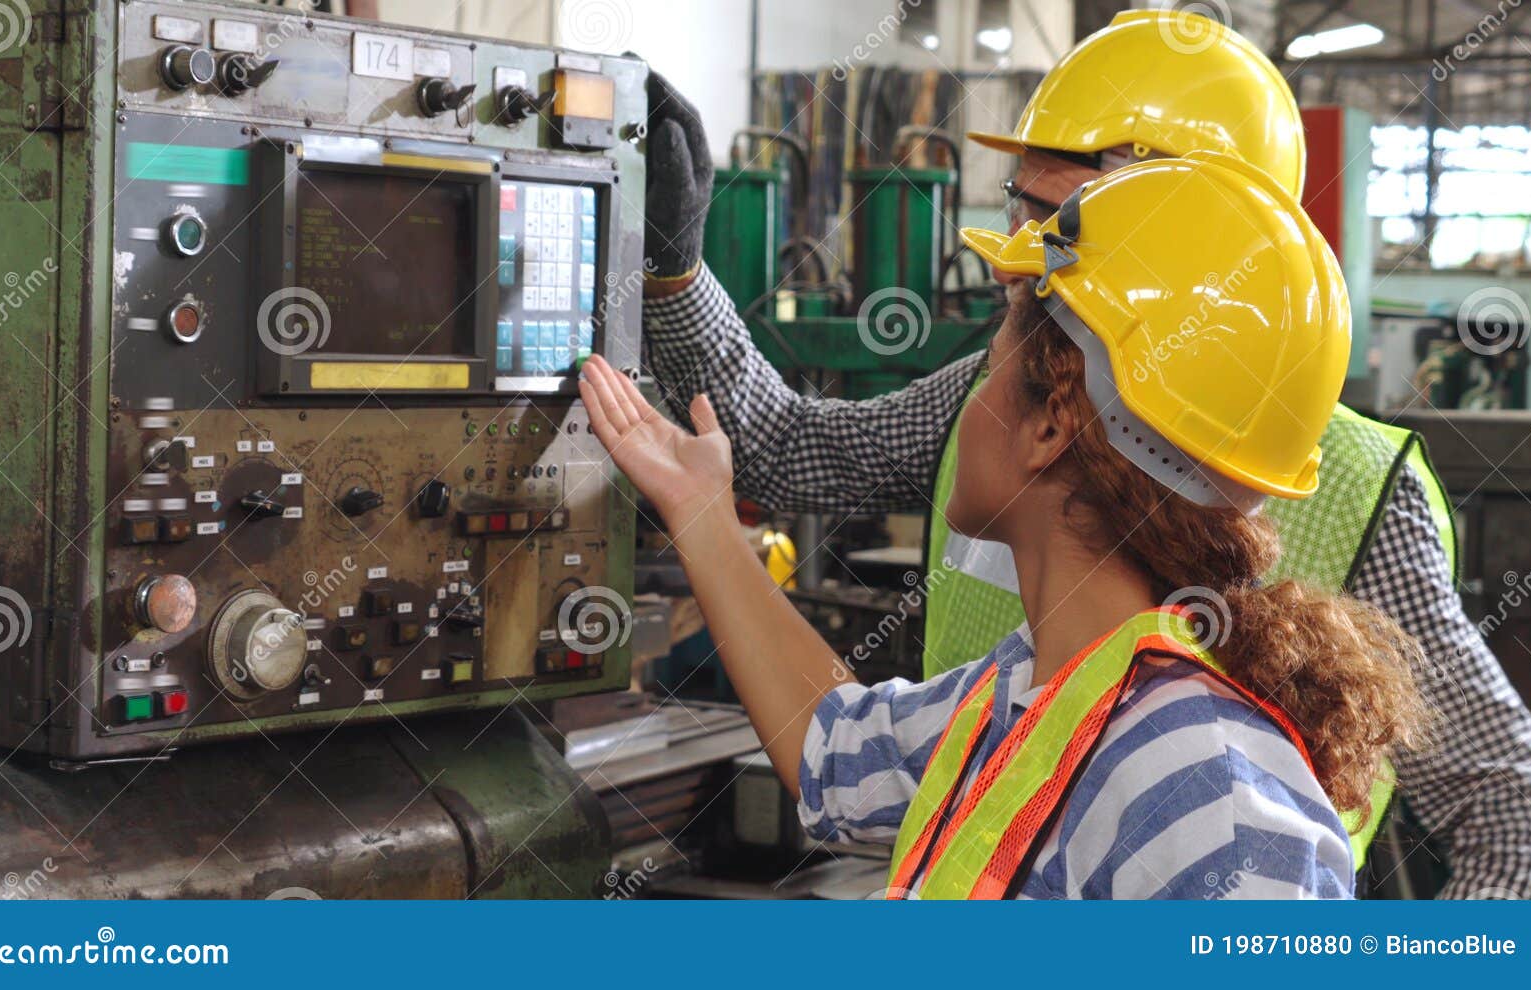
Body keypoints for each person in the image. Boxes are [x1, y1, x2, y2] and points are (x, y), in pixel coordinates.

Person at [636, 10, 1531, 898]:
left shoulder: (1225, 812)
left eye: (1048, 217)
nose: (1008, 263)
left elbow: (1511, 809)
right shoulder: (1013, 689)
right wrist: (675, 275)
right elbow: (792, 461)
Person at [586, 154, 1427, 898]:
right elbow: (832, 754)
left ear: (1050, 424)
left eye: (991, 365)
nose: (968, 400)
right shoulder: (1031, 691)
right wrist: (701, 510)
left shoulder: (1217, 808)